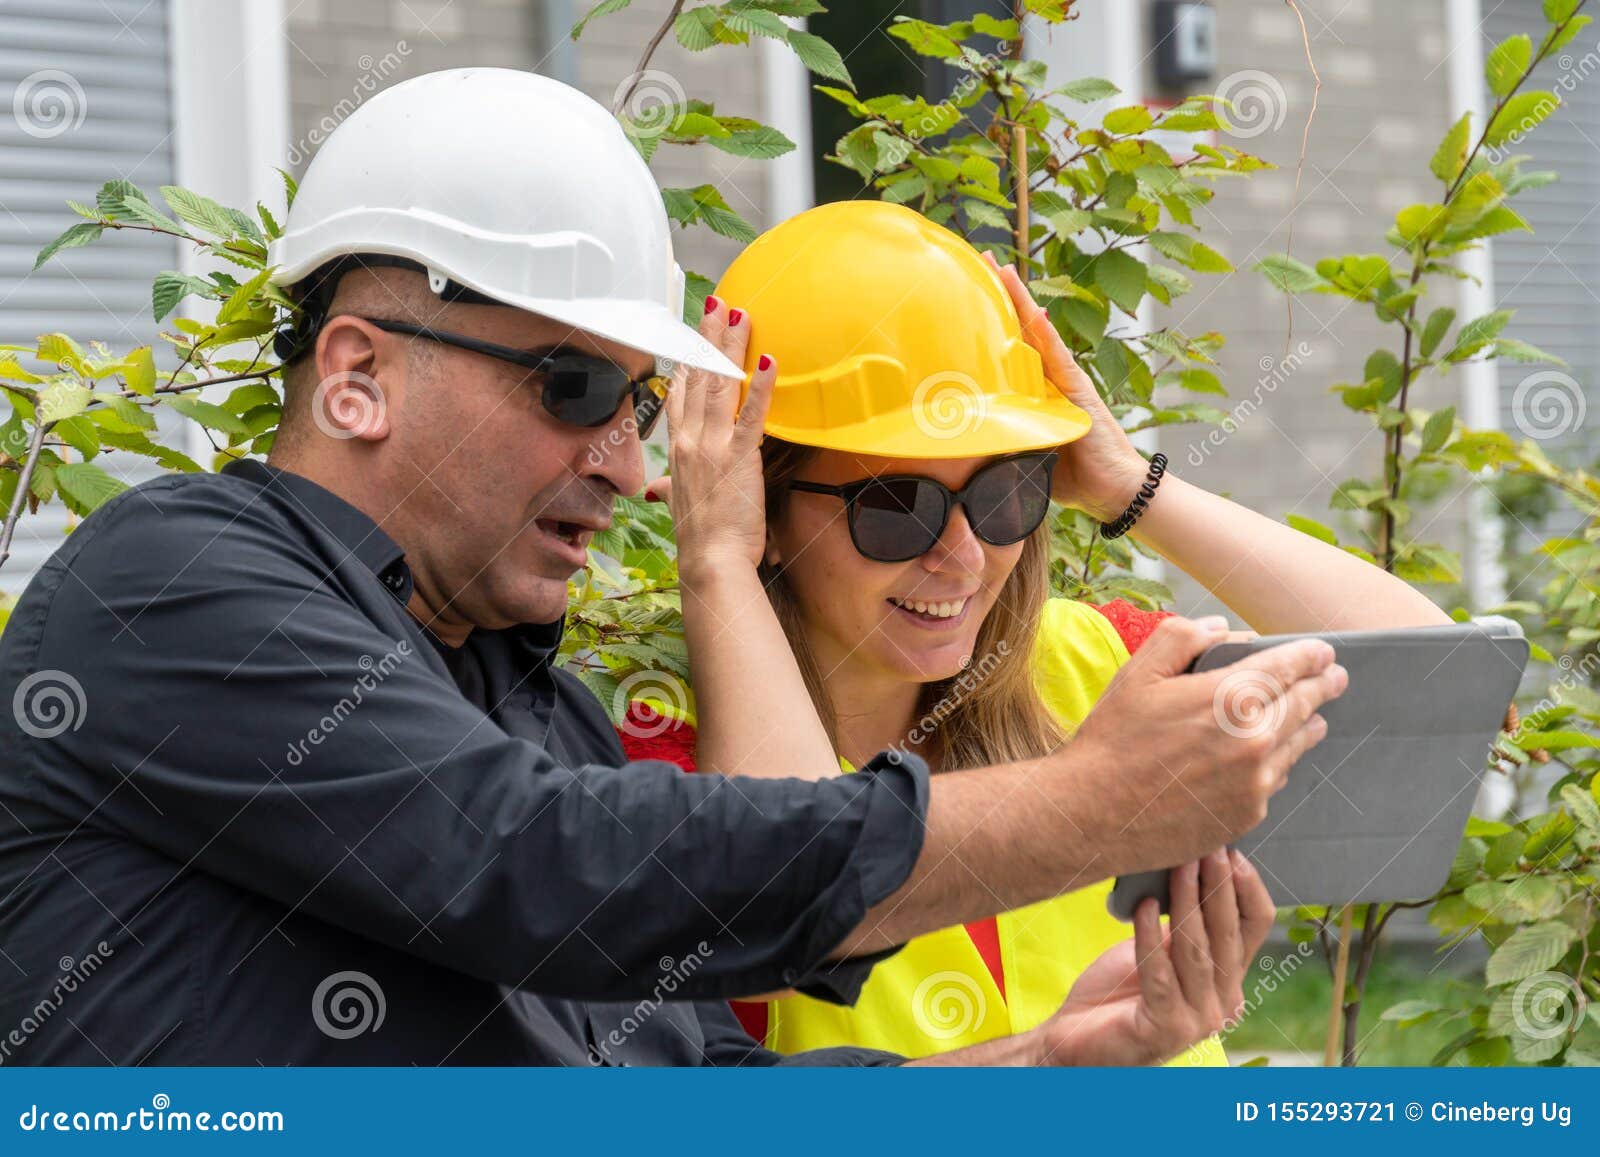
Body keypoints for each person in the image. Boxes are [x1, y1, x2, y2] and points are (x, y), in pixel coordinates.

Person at [0, 71, 1341, 1066]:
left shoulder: (532, 709)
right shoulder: (174, 584)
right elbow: (550, 869)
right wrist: (1102, 804)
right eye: (574, 384)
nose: (630, 465)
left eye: (641, 407)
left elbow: (709, 1100)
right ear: (357, 374)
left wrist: (1048, 1064)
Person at [623, 200, 1450, 1060]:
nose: (966, 556)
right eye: (897, 506)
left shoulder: (1105, 662)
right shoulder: (668, 748)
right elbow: (779, 901)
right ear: (760, 499)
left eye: (1005, 492)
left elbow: (1435, 682)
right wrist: (716, 555)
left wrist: (1129, 483)